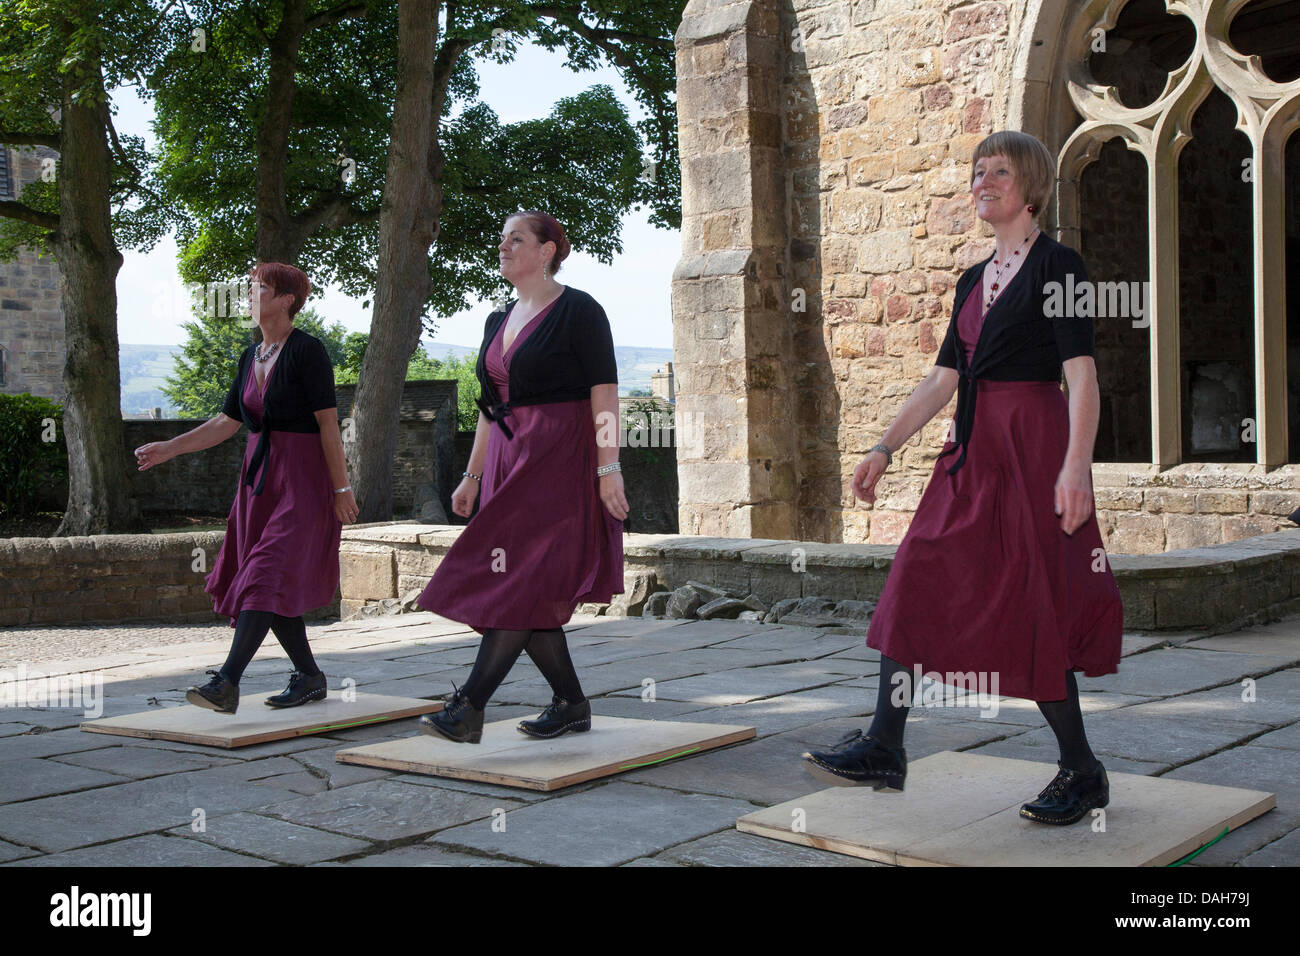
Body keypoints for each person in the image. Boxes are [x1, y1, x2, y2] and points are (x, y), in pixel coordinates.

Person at [801, 131, 1124, 826]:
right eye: (977, 172)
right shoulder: (973, 280)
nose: (983, 182)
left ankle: (1083, 768)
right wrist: (885, 446)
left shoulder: (1060, 266)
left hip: (1033, 448)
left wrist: (1076, 469)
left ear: (1029, 184)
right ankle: (886, 743)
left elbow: (1082, 378)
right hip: (971, 451)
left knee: (1034, 603)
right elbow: (945, 377)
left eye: (998, 172)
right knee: (915, 574)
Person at [415, 210, 628, 744]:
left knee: (520, 580)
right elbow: (491, 406)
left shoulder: (580, 311)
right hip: (509, 462)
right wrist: (471, 476)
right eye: (502, 239)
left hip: (559, 459)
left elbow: (604, 394)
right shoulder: (496, 319)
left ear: (547, 250)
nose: (504, 246)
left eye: (517, 239)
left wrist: (608, 468)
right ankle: (572, 703)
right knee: (520, 583)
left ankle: (469, 706)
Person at [134, 262, 358, 714]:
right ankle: (310, 677)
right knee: (270, 584)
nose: (249, 295)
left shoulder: (308, 351)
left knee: (263, 574)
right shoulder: (249, 356)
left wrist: (341, 489)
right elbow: (226, 422)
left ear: (286, 300)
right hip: (259, 483)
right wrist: (170, 448)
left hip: (303, 481)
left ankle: (226, 682)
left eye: (259, 288)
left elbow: (328, 426)